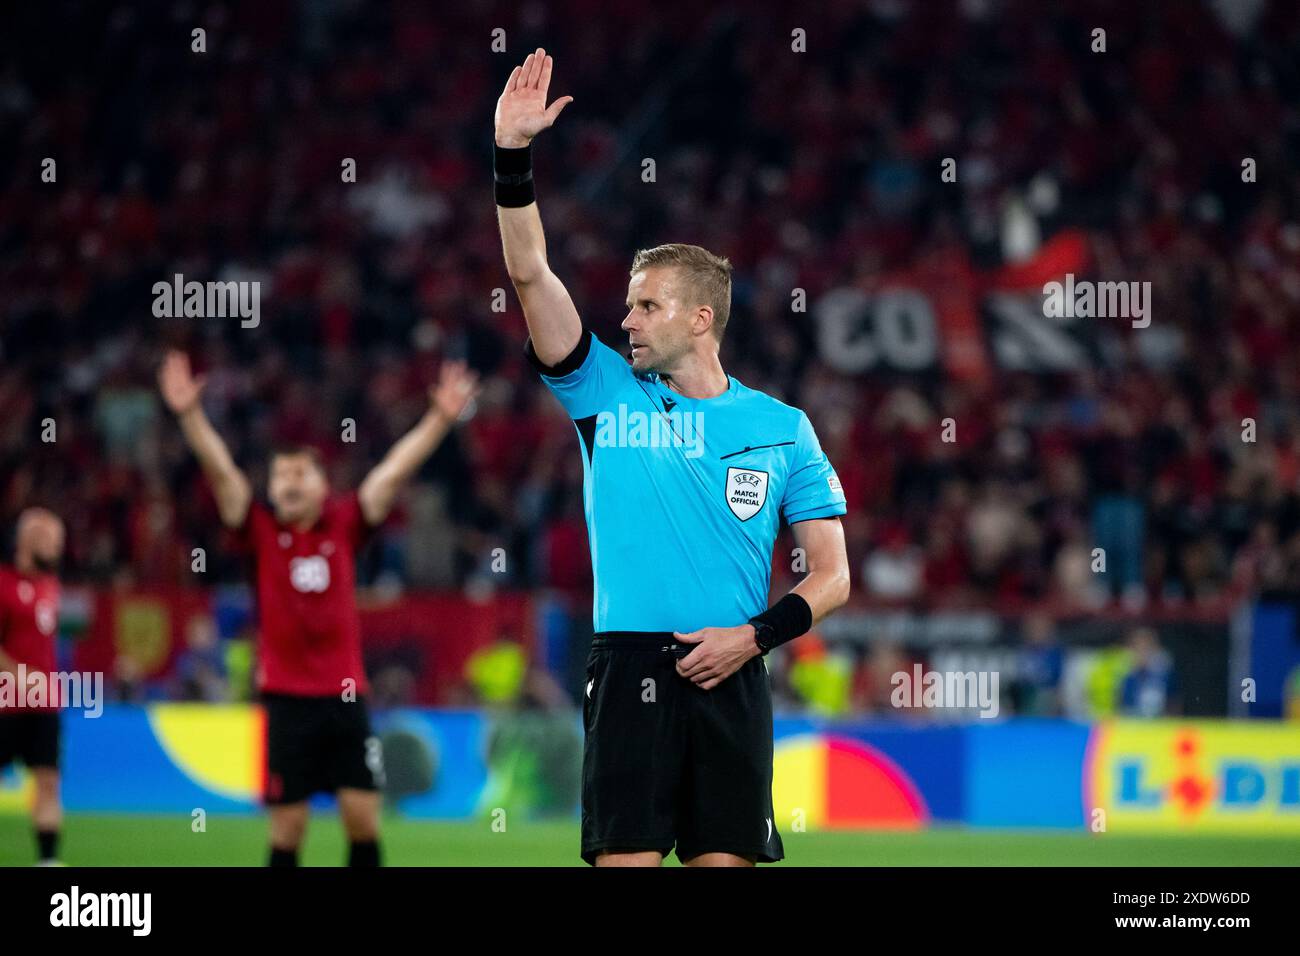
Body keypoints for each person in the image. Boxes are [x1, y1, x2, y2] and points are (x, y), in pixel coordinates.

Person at [493, 49, 851, 866]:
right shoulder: (601, 393)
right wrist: (512, 156)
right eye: (626, 305)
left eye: (646, 305)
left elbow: (832, 577)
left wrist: (752, 639)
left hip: (735, 669)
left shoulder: (783, 427)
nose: (626, 321)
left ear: (700, 319)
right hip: (627, 667)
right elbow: (528, 270)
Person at [158, 349, 477, 866]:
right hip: (286, 700)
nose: (287, 483)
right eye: (280, 476)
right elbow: (221, 473)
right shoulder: (259, 531)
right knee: (287, 827)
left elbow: (392, 473)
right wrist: (192, 416)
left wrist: (439, 419)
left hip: (345, 699)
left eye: (299, 474)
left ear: (321, 484)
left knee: (363, 820)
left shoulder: (344, 524)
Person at [0, 507, 67, 865]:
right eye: (52, 539)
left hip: (45, 707)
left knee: (48, 783)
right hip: (5, 704)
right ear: (29, 540)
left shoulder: (50, 586)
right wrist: (18, 674)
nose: (58, 547)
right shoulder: (3, 584)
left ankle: (48, 861)